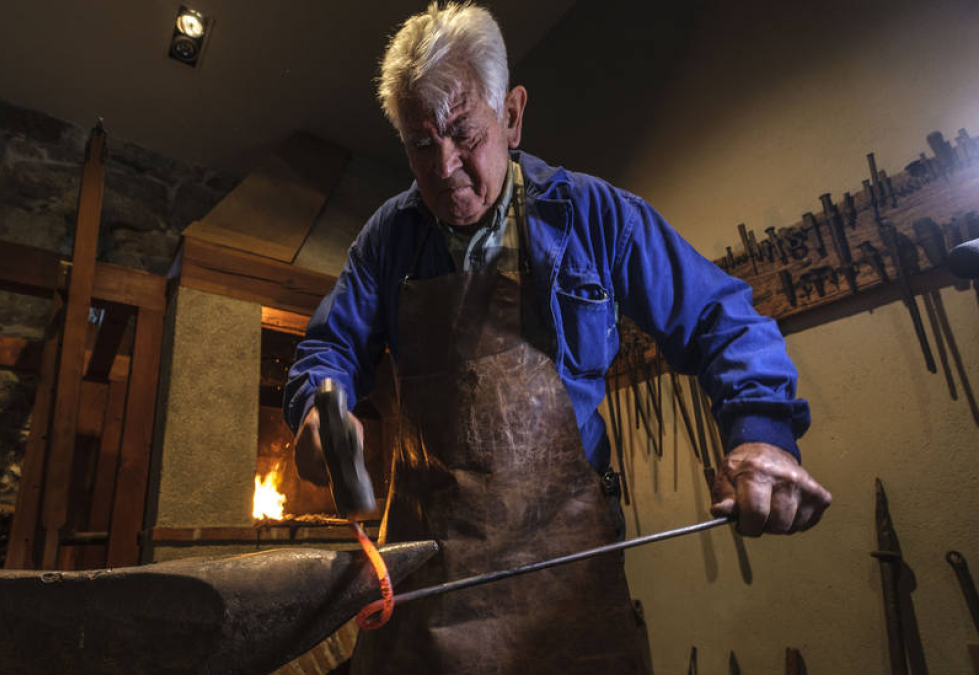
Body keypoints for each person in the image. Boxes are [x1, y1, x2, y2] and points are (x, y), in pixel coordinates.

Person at [283, 3, 832, 673]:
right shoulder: (386, 240)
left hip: (568, 563)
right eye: (421, 145)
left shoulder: (594, 216)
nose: (444, 165)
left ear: (511, 116)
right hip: (433, 566)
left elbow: (722, 319)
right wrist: (320, 409)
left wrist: (761, 433)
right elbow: (331, 350)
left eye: (463, 134)